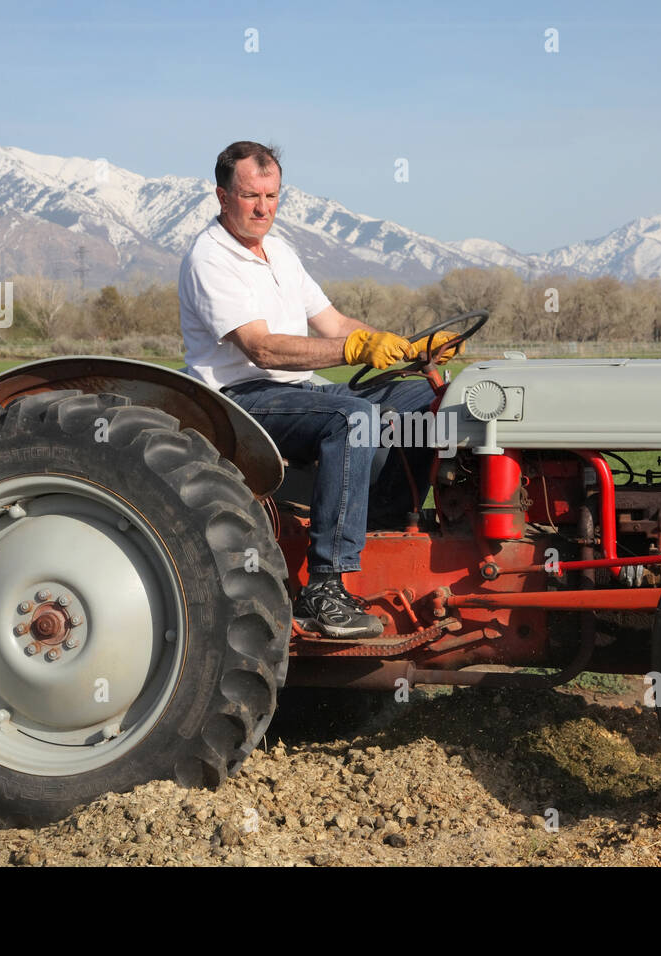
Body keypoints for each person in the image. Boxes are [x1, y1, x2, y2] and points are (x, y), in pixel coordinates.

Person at [178, 141, 460, 639]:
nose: (263, 207)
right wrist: (355, 349)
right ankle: (325, 586)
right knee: (350, 417)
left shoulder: (280, 252)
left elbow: (334, 323)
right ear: (223, 197)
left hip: (295, 388)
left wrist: (409, 349)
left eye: (272, 195)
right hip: (238, 401)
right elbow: (261, 349)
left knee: (422, 399)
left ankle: (386, 521)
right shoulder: (210, 258)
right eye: (250, 196)